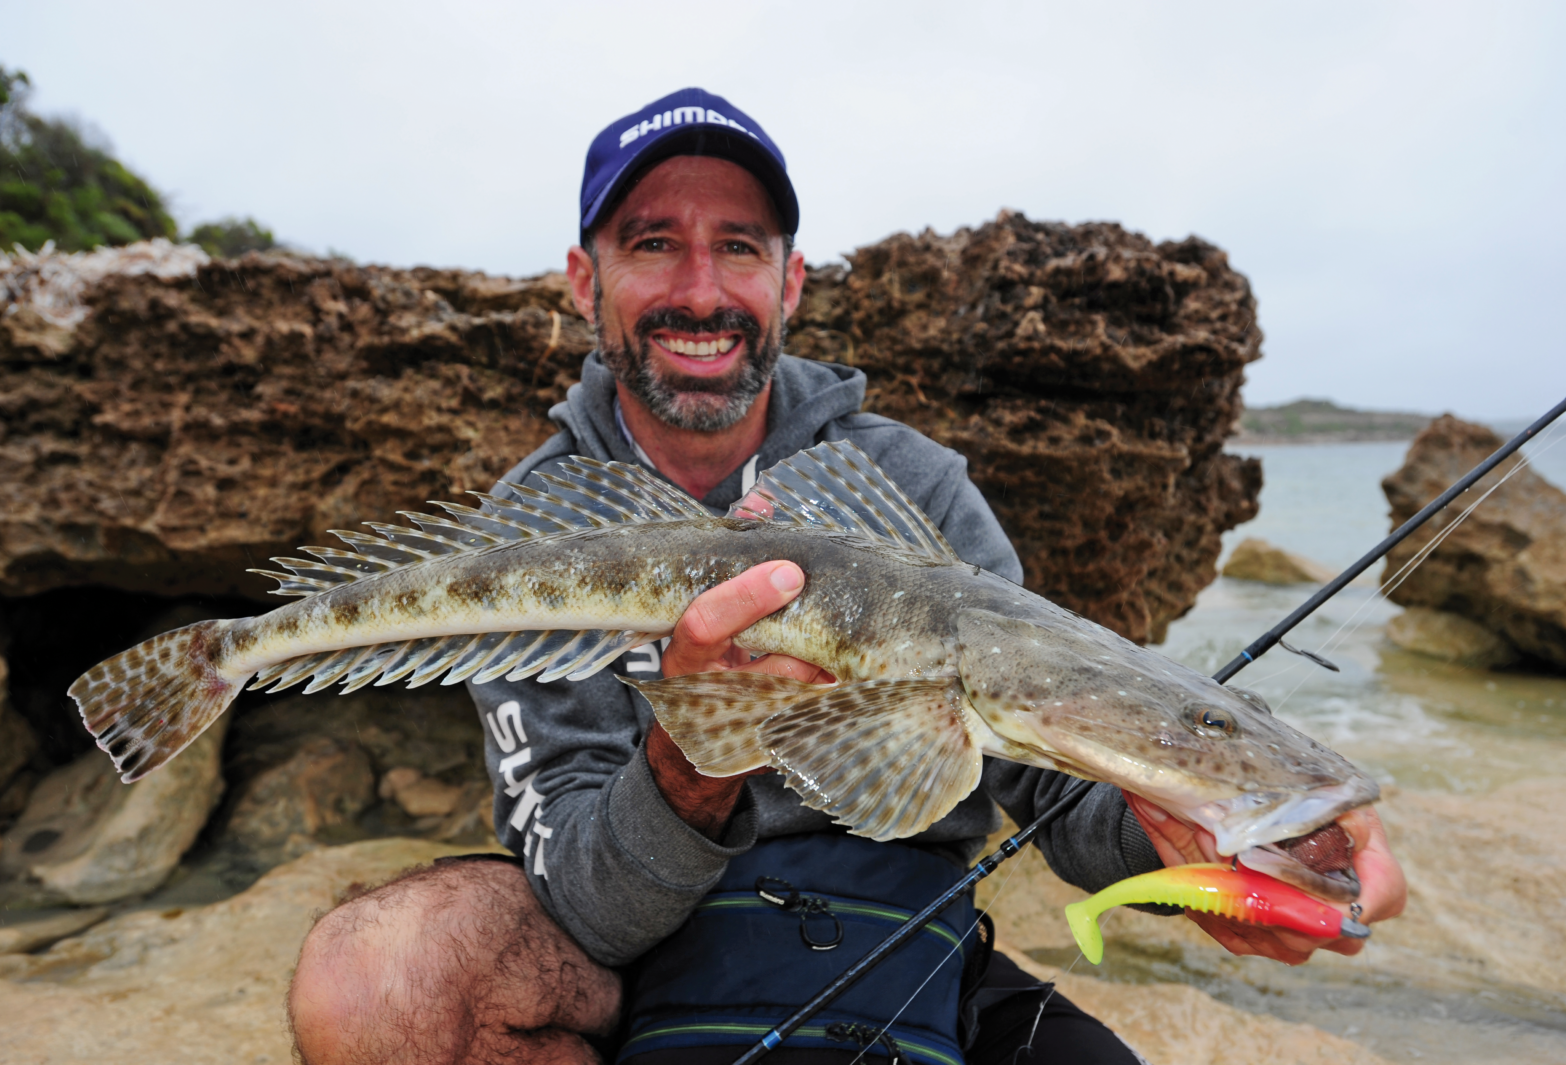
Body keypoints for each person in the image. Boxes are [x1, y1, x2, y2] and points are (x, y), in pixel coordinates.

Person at [287, 88, 1406, 1065]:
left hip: (906, 932)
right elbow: (585, 903)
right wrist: (696, 749)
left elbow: (1058, 787)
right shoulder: (530, 540)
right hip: (641, 953)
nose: (701, 290)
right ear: (585, 279)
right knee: (370, 977)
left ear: (792, 280)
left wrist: (1190, 828)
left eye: (739, 246)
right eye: (653, 242)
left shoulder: (914, 484)